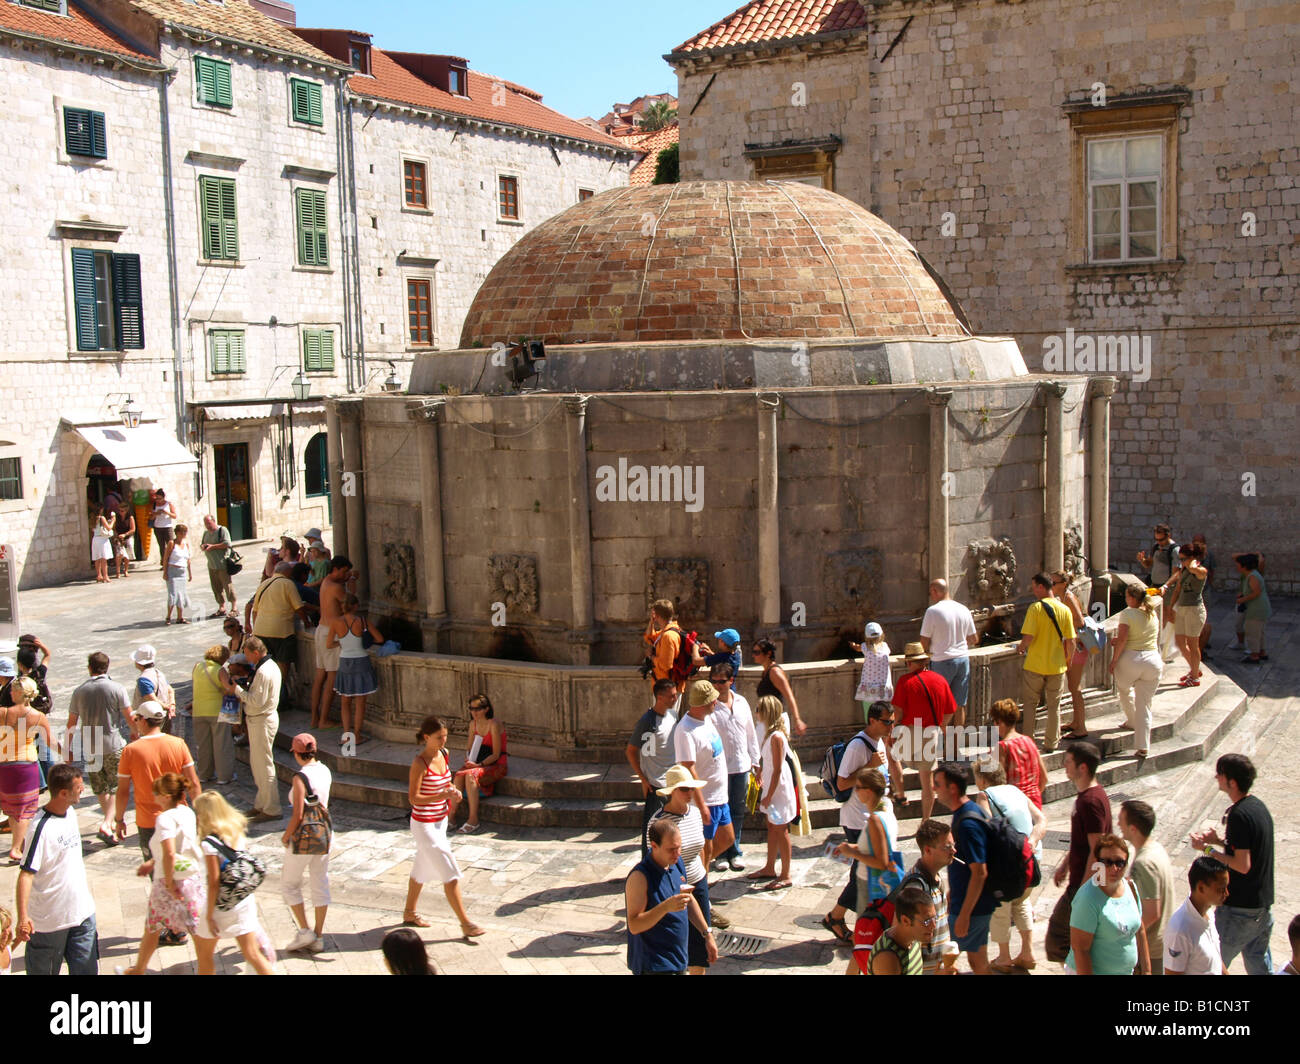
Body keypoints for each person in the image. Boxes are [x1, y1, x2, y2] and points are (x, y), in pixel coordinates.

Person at [1189, 753, 1274, 974]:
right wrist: (1218, 840)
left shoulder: (1238, 815)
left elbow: (1242, 865)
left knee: (1212, 965)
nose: (1216, 777)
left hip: (1240, 911)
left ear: (1232, 782)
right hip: (1262, 907)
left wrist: (1206, 850)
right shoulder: (1257, 807)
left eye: (1220, 774)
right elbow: (1247, 849)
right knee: (1259, 966)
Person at [820, 700, 895, 944]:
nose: (891, 726)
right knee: (863, 873)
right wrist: (869, 765)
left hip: (872, 815)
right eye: (887, 722)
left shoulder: (880, 740)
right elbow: (842, 783)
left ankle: (838, 917)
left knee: (863, 871)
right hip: (857, 819)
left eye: (893, 721)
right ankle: (841, 919)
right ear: (872, 720)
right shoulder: (857, 747)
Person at [403, 715, 485, 938]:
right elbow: (414, 798)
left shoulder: (444, 754)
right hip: (423, 825)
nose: (443, 741)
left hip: (440, 822)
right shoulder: (419, 763)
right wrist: (441, 794)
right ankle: (465, 923)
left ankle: (409, 912)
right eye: (439, 738)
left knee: (421, 866)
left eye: (445, 737)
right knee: (449, 870)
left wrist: (453, 791)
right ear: (427, 737)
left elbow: (446, 781)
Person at [14, 765, 98, 975]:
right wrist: (23, 917)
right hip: (50, 922)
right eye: (79, 788)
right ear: (63, 793)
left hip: (82, 913)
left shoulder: (70, 813)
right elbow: (26, 873)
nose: (82, 791)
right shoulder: (39, 828)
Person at [120, 773, 205, 975]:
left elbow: (169, 852)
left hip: (169, 881)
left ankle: (139, 969)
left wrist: (168, 883)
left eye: (156, 793)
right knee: (193, 928)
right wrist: (151, 863)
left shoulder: (164, 819)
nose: (153, 796)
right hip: (190, 878)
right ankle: (205, 968)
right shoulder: (187, 812)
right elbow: (177, 847)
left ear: (166, 796)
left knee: (153, 927)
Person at [193, 791, 274, 975]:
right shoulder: (235, 830)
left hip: (222, 905)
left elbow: (214, 882)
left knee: (204, 953)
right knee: (252, 953)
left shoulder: (209, 844)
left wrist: (209, 915)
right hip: (243, 901)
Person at [975, 763, 1046, 972]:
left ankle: (1004, 957)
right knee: (1022, 903)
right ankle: (1028, 953)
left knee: (1000, 908)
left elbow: (988, 830)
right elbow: (1041, 819)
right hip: (1032, 860)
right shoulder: (1017, 791)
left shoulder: (983, 795)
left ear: (982, 778)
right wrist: (1030, 843)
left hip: (1008, 863)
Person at [625, 818, 716, 975]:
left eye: (679, 847)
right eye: (671, 849)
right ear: (654, 846)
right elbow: (634, 925)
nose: (677, 853)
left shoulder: (676, 862)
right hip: (654, 966)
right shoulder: (640, 877)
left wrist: (706, 934)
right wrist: (666, 907)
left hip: (678, 961)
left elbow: (688, 898)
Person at [1046, 741, 1110, 963]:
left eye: (1069, 761)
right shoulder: (1088, 797)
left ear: (1082, 767)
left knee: (1059, 937)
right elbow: (1081, 840)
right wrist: (1064, 866)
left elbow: (1097, 849)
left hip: (1085, 885)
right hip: (1080, 881)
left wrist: (1083, 890)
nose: (1064, 764)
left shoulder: (1090, 801)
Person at [649, 765, 714, 971]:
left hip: (697, 882)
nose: (690, 793)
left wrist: (703, 874)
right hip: (671, 887)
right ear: (672, 792)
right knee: (674, 940)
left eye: (691, 788)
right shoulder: (659, 822)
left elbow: (700, 848)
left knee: (700, 946)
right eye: (684, 789)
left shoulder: (694, 813)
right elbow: (652, 860)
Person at [935, 761, 996, 974]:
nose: (933, 788)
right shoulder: (966, 812)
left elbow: (980, 872)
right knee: (978, 961)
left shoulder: (967, 823)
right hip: (972, 902)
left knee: (945, 962)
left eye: (937, 784)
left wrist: (964, 915)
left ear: (952, 788)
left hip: (972, 908)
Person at [65, 652, 131, 845]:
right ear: (107, 667)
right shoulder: (117, 688)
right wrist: (136, 734)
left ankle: (108, 823)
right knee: (116, 786)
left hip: (90, 746)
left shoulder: (79, 691)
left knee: (100, 787)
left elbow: (71, 723)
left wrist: (67, 749)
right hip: (113, 744)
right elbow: (128, 716)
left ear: (89, 667)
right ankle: (108, 822)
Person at [1066, 834, 1150, 975]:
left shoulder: (1130, 887)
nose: (1114, 868)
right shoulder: (1088, 899)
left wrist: (1147, 971)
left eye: (1120, 862)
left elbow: (1140, 930)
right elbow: (1080, 949)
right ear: (1097, 863)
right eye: (1107, 862)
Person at [672, 679, 733, 874]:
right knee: (705, 848)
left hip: (719, 796)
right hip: (705, 799)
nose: (716, 702)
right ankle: (700, 890)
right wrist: (702, 804)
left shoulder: (707, 719)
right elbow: (689, 768)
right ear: (703, 704)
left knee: (727, 838)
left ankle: (689, 867)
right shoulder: (685, 730)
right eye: (713, 700)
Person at [891, 642, 957, 817]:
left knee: (890, 755)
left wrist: (891, 731)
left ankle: (900, 792)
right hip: (932, 732)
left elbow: (898, 711)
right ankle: (925, 820)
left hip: (910, 732)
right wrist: (942, 726)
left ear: (910, 663)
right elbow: (951, 709)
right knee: (927, 782)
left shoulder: (905, 681)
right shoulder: (940, 680)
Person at [219, 636, 281, 821]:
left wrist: (235, 689)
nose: (246, 659)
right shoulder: (266, 667)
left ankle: (271, 808)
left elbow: (255, 700)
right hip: (259, 720)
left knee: (264, 765)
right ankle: (261, 804)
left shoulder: (264, 671)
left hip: (262, 720)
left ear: (255, 653)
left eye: (246, 654)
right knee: (258, 764)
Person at [281, 733, 332, 954]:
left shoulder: (300, 777)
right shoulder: (325, 770)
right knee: (319, 882)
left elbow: (298, 814)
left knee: (289, 884)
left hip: (303, 837)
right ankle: (319, 936)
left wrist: (286, 836)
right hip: (324, 833)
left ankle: (305, 930)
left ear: (297, 753)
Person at [707, 661, 758, 872]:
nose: (717, 686)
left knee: (737, 810)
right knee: (720, 811)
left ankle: (734, 850)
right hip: (719, 769)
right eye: (714, 681)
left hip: (741, 765)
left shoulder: (742, 702)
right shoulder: (709, 706)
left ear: (731, 681)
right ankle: (719, 853)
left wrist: (756, 761)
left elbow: (750, 733)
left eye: (721, 681)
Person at [1017, 571, 1076, 751]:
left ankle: (1028, 741)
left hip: (1035, 664)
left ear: (1042, 587)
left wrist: (1020, 647)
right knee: (1054, 706)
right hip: (1057, 665)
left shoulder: (1035, 608)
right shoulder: (1064, 609)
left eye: (1035, 587)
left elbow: (1029, 636)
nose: (1033, 591)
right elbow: (1071, 641)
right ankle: (1051, 743)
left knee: (1030, 704)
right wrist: (1068, 661)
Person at [835, 768, 902, 920]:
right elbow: (878, 846)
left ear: (869, 791)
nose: (856, 791)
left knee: (867, 934)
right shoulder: (887, 810)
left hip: (871, 885)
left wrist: (853, 853)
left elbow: (881, 861)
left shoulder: (874, 820)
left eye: (858, 787)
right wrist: (851, 847)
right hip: (879, 884)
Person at [0, 678, 54, 864]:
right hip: (26, 765)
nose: (10, 693)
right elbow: (50, 742)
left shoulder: (3, 713)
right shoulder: (38, 716)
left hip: (5, 765)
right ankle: (16, 848)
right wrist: (68, 754)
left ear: (19, 693)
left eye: (13, 691)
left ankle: (20, 845)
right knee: (24, 810)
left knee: (12, 809)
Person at [1119, 799, 1175, 975]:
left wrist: (1122, 936)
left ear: (1133, 828)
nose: (1118, 825)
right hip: (1160, 944)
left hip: (1150, 949)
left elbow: (1151, 912)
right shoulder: (1156, 848)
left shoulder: (1144, 862)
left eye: (1121, 821)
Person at [892, 818, 954, 975]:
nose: (954, 850)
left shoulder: (936, 878)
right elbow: (899, 928)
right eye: (947, 847)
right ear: (928, 850)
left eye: (953, 845)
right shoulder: (916, 886)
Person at [246, 560, 311, 708]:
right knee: (282, 669)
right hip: (281, 631)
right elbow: (299, 607)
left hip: (261, 631)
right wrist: (307, 623)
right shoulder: (288, 584)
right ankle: (280, 702)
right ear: (287, 572)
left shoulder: (263, 584)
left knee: (265, 668)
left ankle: (267, 700)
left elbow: (254, 610)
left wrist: (256, 629)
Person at [1108, 583, 1163, 758]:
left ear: (1131, 597)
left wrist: (1114, 660)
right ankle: (1143, 745)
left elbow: (1124, 639)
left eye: (1126, 596)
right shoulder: (1152, 613)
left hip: (1131, 660)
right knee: (1144, 705)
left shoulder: (1127, 613)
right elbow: (1143, 636)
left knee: (1124, 690)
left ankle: (1132, 720)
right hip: (1153, 661)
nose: (1125, 599)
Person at [626, 678, 679, 856]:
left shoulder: (673, 715)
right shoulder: (648, 721)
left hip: (673, 782)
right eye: (672, 696)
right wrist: (643, 778)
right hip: (657, 785)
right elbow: (632, 751)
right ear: (660, 697)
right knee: (653, 832)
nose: (676, 698)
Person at [748, 696, 796, 890]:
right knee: (772, 825)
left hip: (778, 791)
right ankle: (769, 867)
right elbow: (767, 762)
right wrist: (760, 773)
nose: (756, 712)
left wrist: (768, 796)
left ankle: (785, 874)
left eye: (759, 709)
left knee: (780, 828)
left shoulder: (776, 736)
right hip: (771, 786)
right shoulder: (770, 734)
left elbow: (777, 769)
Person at [919, 579, 977, 725]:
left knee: (937, 705)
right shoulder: (963, 609)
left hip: (941, 661)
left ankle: (937, 743)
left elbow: (923, 641)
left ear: (934, 591)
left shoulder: (932, 611)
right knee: (959, 705)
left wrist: (922, 659)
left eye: (931, 593)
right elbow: (973, 639)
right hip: (962, 659)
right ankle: (955, 746)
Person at [329, 593, 382, 746]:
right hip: (361, 662)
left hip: (345, 662)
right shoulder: (363, 621)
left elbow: (329, 644)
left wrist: (342, 644)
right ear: (356, 606)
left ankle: (346, 736)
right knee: (360, 702)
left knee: (345, 701)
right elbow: (379, 638)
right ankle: (357, 735)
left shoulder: (335, 622)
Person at [1164, 857, 1230, 976]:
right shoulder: (1180, 931)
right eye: (1221, 889)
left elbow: (1215, 958)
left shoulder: (1208, 913)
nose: (1226, 893)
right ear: (1201, 888)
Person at [453, 693, 507, 834]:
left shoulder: (494, 724)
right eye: (471, 708)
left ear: (486, 709)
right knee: (458, 775)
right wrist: (469, 759)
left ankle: (473, 819)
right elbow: (469, 748)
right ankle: (451, 816)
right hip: (477, 761)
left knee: (471, 776)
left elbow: (496, 754)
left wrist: (478, 765)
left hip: (496, 764)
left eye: (478, 709)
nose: (474, 712)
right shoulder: (473, 724)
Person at [310, 556, 352, 729]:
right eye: (344, 571)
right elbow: (350, 605)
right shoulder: (336, 587)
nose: (345, 575)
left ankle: (314, 718)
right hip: (331, 633)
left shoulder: (326, 582)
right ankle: (323, 720)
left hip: (321, 629)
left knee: (320, 676)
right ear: (336, 569)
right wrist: (352, 582)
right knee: (332, 678)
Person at [1160, 542, 1208, 687]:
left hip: (1195, 611)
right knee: (1181, 643)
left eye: (1184, 559)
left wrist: (1192, 563)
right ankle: (1195, 669)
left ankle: (1194, 678)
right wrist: (1170, 609)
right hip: (1182, 609)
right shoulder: (1184, 571)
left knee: (1193, 645)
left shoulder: (1201, 571)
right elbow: (1177, 589)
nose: (1181, 562)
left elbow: (1195, 569)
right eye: (1180, 559)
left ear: (1193, 558)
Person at [863, 885, 936, 976]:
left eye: (934, 918)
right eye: (927, 921)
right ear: (905, 920)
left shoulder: (914, 939)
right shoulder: (888, 959)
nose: (934, 925)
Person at [1051, 571, 1090, 739]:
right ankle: (1076, 722)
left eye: (1054, 582)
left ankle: (1081, 727)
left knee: (1075, 688)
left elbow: (1080, 621)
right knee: (1074, 688)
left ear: (1063, 584)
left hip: (1077, 647)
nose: (1051, 585)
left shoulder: (1068, 598)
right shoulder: (1064, 597)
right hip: (1073, 645)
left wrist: (1063, 622)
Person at [989, 697, 1046, 809]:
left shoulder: (1001, 747)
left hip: (1013, 807)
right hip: (1035, 805)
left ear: (999, 722)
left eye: (994, 722)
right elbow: (1043, 778)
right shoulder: (1029, 741)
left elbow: (996, 784)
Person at [191, 645, 235, 786]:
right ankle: (224, 776)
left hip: (198, 711)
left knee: (203, 745)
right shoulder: (219, 670)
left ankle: (204, 774)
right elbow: (229, 688)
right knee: (221, 744)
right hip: (216, 711)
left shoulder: (197, 667)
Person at [750, 637, 806, 735]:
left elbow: (789, 696)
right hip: (766, 720)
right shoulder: (766, 671)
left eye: (757, 652)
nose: (753, 655)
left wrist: (797, 720)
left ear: (768, 654)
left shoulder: (775, 672)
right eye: (753, 652)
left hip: (776, 722)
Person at [848, 621, 893, 724]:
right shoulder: (885, 647)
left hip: (869, 689)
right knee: (884, 714)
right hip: (883, 689)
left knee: (869, 714)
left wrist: (852, 645)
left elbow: (857, 648)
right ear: (882, 635)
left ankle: (871, 730)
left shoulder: (865, 647)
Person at [129, 645, 175, 737]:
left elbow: (151, 699)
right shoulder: (159, 673)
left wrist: (167, 707)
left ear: (139, 663)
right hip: (163, 717)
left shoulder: (143, 680)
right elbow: (170, 690)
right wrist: (172, 704)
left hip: (149, 720)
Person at [1233, 553, 1270, 664]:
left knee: (1252, 632)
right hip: (1259, 608)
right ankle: (1262, 652)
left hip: (1256, 609)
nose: (1236, 566)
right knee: (1259, 632)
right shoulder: (1251, 575)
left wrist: (1242, 600)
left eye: (1238, 565)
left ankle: (1254, 655)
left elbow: (1256, 592)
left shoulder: (1252, 576)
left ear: (1244, 566)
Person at [199, 515, 237, 618]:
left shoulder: (222, 530)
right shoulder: (206, 533)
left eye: (209, 523)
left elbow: (227, 544)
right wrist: (203, 546)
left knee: (227, 586)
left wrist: (213, 547)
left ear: (214, 521)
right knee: (216, 588)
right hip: (211, 565)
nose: (207, 526)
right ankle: (222, 607)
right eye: (206, 524)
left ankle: (234, 608)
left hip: (222, 564)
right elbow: (202, 544)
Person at [642, 598, 683, 691]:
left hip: (668, 688)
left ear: (657, 615)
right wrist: (651, 622)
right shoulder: (665, 632)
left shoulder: (668, 636)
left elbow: (666, 665)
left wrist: (651, 657)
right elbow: (649, 637)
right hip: (663, 685)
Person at [1191, 534, 1214, 655]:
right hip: (1192, 595)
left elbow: (1211, 571)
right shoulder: (1190, 558)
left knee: (1204, 622)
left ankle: (1202, 645)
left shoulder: (1208, 556)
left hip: (1203, 592)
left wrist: (1209, 584)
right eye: (1195, 542)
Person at [151, 490, 177, 567]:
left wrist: (167, 513)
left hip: (167, 526)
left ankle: (172, 562)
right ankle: (164, 563)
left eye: (160, 498)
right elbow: (151, 518)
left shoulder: (168, 504)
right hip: (158, 527)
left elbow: (174, 516)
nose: (158, 500)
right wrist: (156, 514)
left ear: (163, 498)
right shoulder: (154, 505)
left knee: (171, 544)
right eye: (157, 498)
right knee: (161, 546)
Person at [91, 504, 115, 583]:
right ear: (101, 509)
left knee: (97, 558)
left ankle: (99, 575)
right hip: (102, 539)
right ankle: (105, 576)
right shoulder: (102, 518)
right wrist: (113, 521)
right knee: (103, 558)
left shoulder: (92, 518)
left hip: (95, 539)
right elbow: (109, 528)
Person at [114, 503, 136, 578]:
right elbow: (114, 527)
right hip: (119, 537)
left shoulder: (130, 518)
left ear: (126, 511)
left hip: (127, 537)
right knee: (119, 554)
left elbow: (133, 529)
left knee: (127, 555)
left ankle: (126, 570)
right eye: (119, 510)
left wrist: (125, 534)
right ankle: (118, 571)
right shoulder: (117, 517)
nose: (120, 512)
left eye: (122, 511)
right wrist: (117, 535)